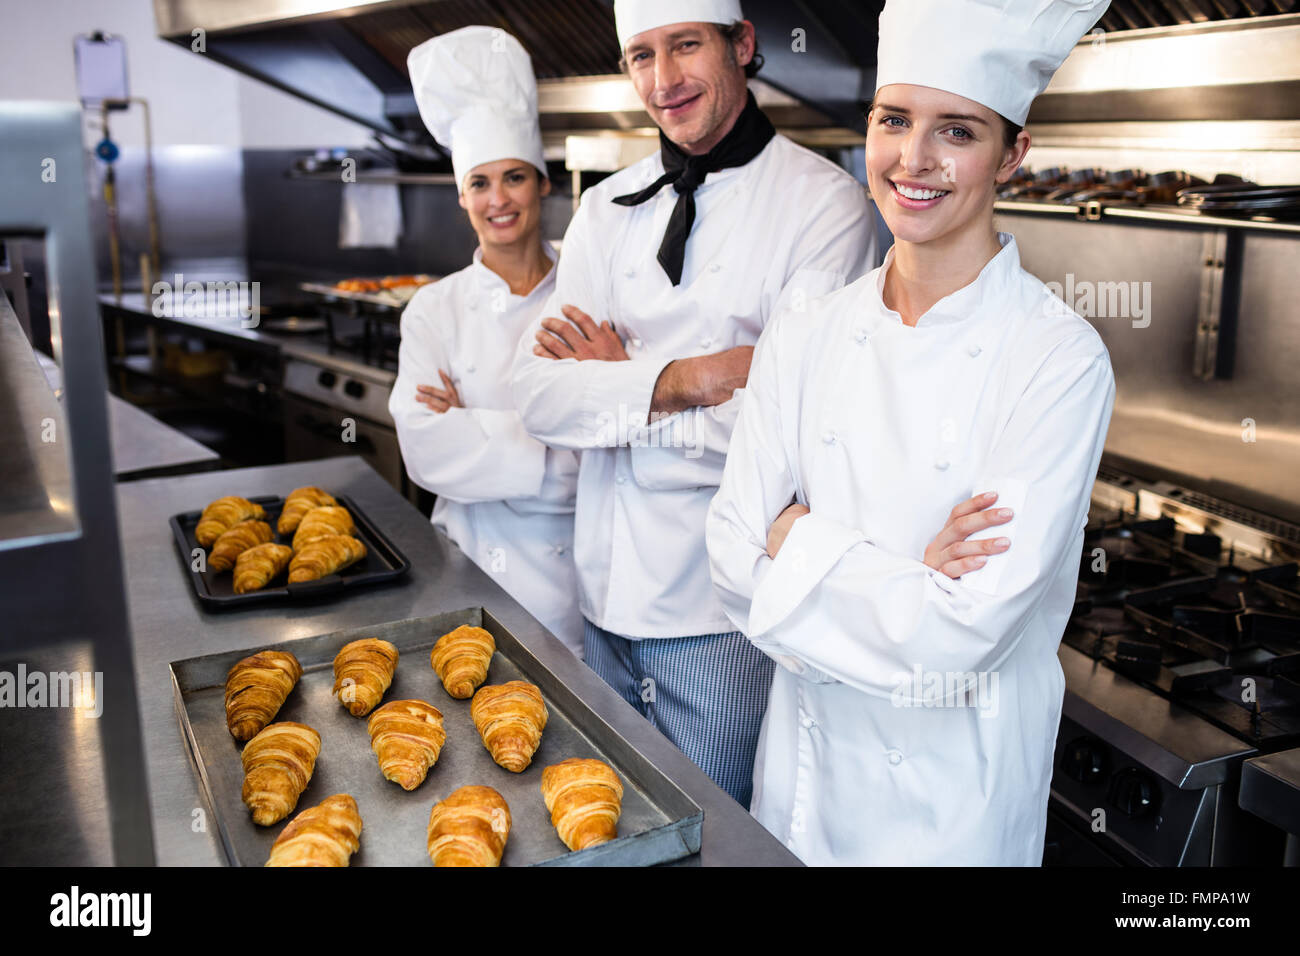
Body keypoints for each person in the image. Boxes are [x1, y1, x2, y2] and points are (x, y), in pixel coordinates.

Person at [705, 0, 1117, 864]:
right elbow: (731, 562)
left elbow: (959, 638)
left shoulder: (1057, 358)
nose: (914, 159)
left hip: (950, 811)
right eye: (894, 120)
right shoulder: (807, 327)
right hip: (802, 790)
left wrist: (799, 538)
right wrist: (905, 573)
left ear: (1012, 156)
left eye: (957, 131)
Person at [509, 0, 879, 805]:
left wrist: (614, 386)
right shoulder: (607, 209)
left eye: (685, 46)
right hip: (599, 601)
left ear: (742, 44)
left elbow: (788, 439)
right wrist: (690, 379)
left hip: (722, 614)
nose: (664, 79)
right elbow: (538, 398)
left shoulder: (826, 207)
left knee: (716, 839)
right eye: (642, 55)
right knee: (617, 830)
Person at [390, 26, 583, 656]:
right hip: (467, 571)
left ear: (544, 183)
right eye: (480, 183)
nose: (498, 199)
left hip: (573, 583)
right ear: (461, 197)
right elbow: (424, 453)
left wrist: (472, 422)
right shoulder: (433, 308)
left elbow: (603, 457)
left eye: (514, 178)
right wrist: (546, 441)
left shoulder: (589, 296)